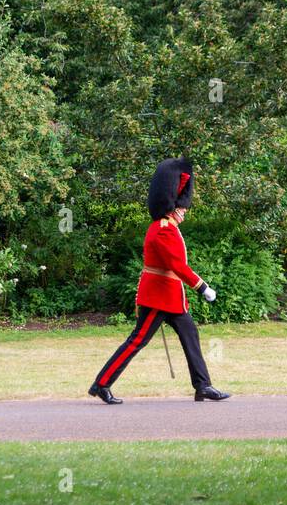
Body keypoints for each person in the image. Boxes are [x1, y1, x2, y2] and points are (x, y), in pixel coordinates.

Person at [89, 158, 231, 404]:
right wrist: (203, 287)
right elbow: (177, 266)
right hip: (158, 298)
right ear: (173, 206)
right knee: (137, 341)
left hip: (170, 298)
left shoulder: (168, 226)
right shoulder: (163, 228)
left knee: (190, 335)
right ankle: (102, 384)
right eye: (183, 207)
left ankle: (203, 386)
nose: (185, 210)